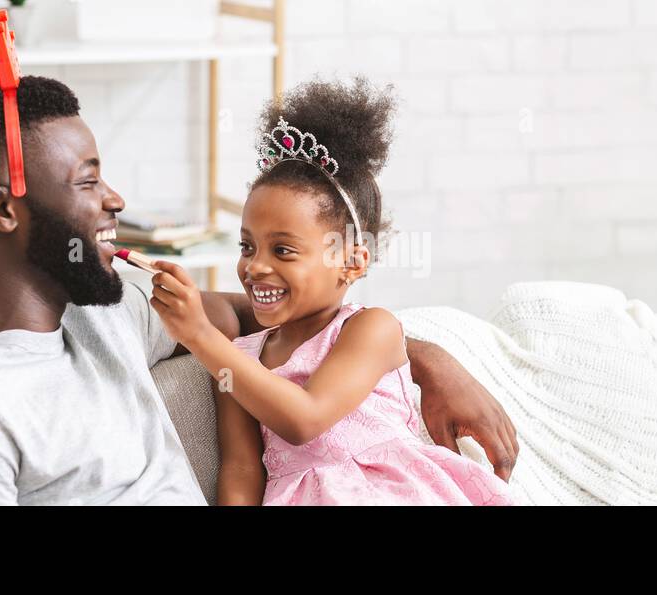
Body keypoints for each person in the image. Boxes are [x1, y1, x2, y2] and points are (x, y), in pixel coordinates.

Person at [0, 75, 519, 505]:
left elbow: (277, 323)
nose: (116, 198)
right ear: (0, 210)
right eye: (87, 181)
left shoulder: (109, 309)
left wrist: (427, 355)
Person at [144, 78, 515, 505]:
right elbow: (242, 468)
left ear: (351, 262)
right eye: (247, 246)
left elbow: (306, 418)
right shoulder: (238, 359)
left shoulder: (371, 330)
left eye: (283, 250)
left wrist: (201, 336)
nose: (255, 266)